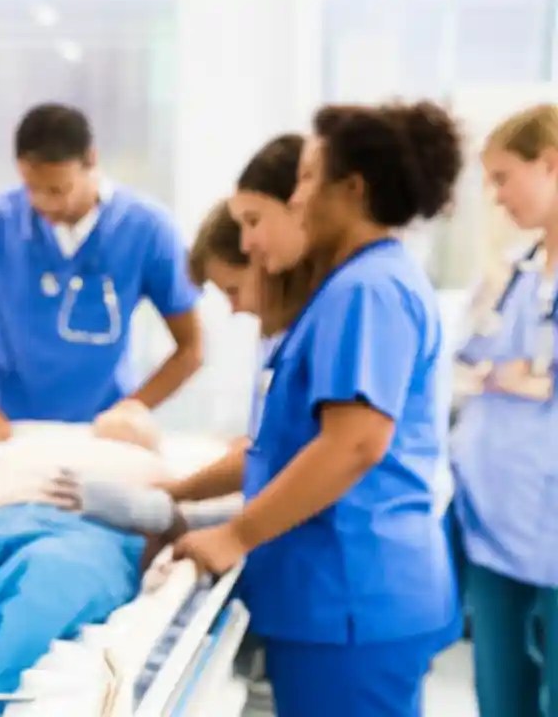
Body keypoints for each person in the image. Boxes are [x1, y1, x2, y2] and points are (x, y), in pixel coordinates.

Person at [172, 101, 464, 716]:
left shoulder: (369, 290)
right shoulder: (350, 288)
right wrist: (181, 497)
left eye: (307, 178)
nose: (298, 197)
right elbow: (282, 446)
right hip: (336, 596)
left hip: (352, 597)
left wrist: (235, 534)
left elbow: (355, 443)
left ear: (351, 190)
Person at [0, 103, 203, 442]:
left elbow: (191, 347)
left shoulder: (148, 229)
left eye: (58, 190)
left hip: (103, 431)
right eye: (32, 188)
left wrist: (130, 411)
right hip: (11, 428)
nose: (45, 204)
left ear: (91, 160)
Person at [451, 103, 558, 717]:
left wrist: (530, 381)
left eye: (502, 178)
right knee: (500, 695)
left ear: (549, 166)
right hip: (496, 523)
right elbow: (472, 359)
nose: (495, 198)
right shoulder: (514, 275)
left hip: (544, 519)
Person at [166, 133, 313, 505]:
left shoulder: (332, 316)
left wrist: (174, 496)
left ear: (264, 262)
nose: (234, 309)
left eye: (232, 289)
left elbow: (294, 455)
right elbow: (267, 448)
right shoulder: (278, 340)